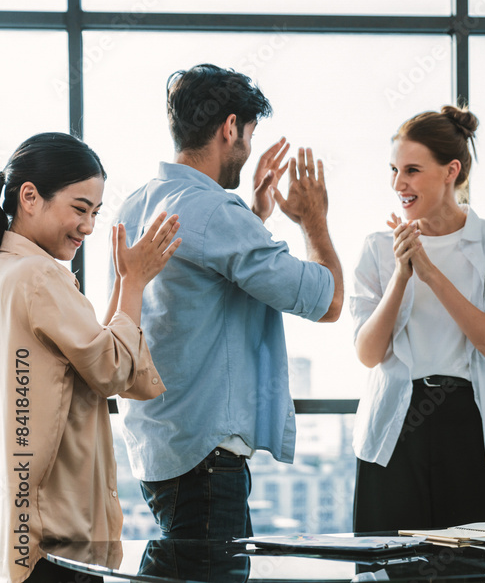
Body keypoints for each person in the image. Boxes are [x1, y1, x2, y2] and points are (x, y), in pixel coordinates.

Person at [115, 64, 344, 541]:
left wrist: (256, 216)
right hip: (206, 459)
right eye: (249, 136)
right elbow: (327, 300)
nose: (247, 150)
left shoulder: (139, 203)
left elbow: (205, 285)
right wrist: (312, 220)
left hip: (160, 447)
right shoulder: (217, 212)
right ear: (229, 128)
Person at [1, 133, 179, 583]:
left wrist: (124, 280)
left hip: (25, 527)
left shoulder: (11, 269)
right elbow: (112, 369)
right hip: (59, 540)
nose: (89, 226)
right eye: (80, 209)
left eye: (96, 213)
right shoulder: (39, 275)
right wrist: (135, 284)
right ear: (30, 197)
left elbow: (86, 358)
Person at [351, 105, 485, 532]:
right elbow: (368, 353)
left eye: (411, 170)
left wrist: (430, 273)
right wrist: (402, 274)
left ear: (451, 170)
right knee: (386, 569)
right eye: (393, 169)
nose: (398, 184)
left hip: (470, 425)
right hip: (394, 428)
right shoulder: (378, 246)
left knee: (470, 566)